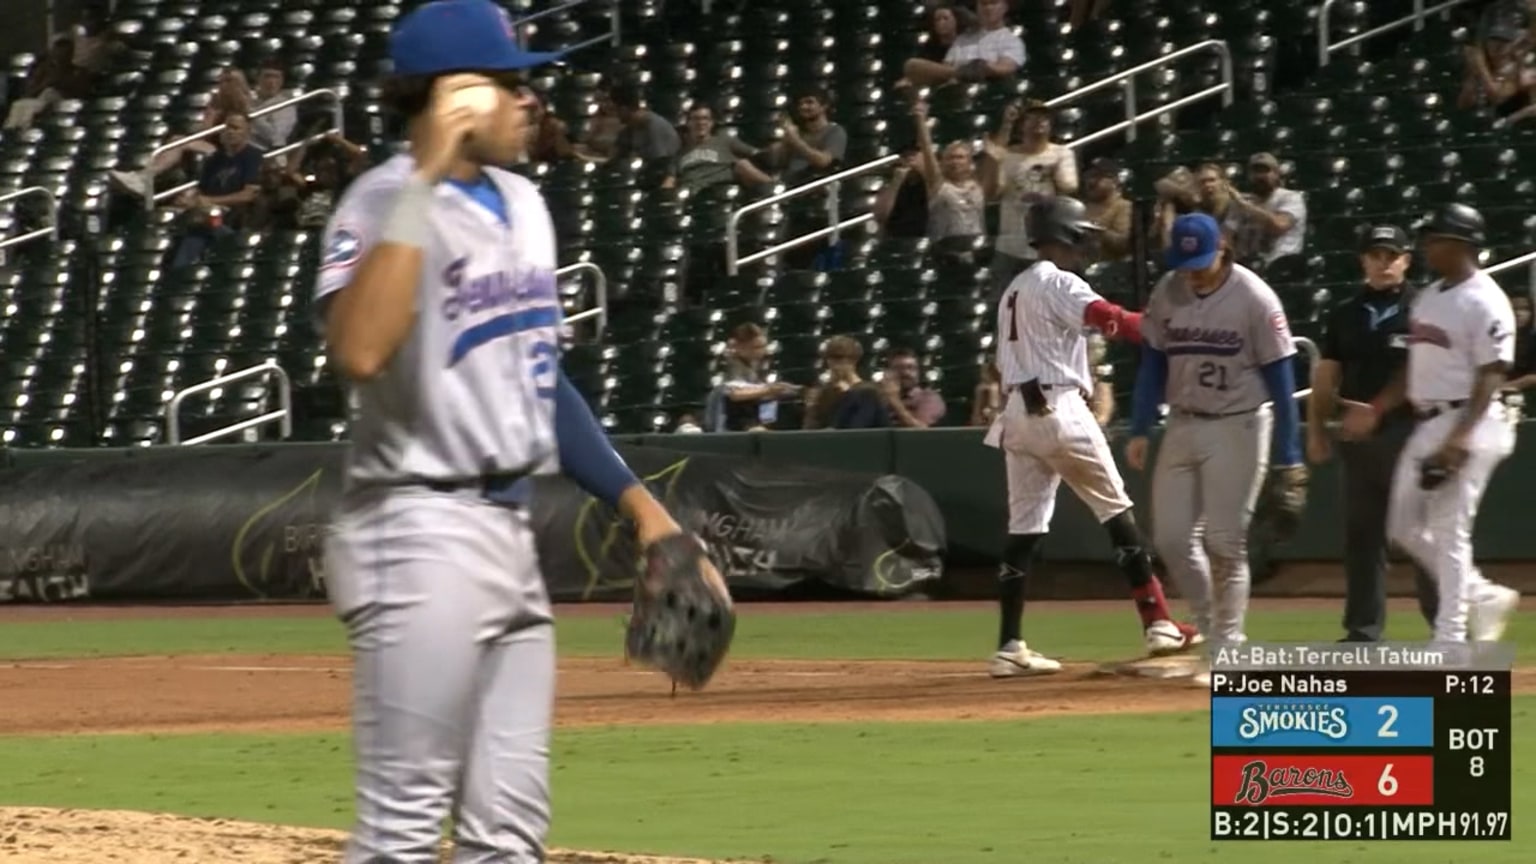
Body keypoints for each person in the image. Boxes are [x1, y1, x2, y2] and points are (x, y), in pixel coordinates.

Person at [311, 2, 731, 860]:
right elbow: (356, 349)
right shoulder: (382, 199)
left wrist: (643, 509)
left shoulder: (526, 204)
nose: (531, 97)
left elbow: (540, 382)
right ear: (450, 96)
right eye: (509, 82)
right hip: (412, 528)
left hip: (507, 530)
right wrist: (425, 179)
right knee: (400, 830)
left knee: (507, 836)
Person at [982, 196, 1201, 678]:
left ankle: (1009, 645)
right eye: (1080, 235)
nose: (1087, 244)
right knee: (1117, 513)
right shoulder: (1061, 281)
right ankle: (1159, 622)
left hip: (1018, 412)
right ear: (1064, 236)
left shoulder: (1014, 288)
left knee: (1023, 531)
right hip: (1059, 407)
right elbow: (1115, 321)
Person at [1127, 213, 1303, 683]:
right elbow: (1152, 362)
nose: (1192, 270)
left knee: (1225, 542)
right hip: (1183, 423)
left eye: (1200, 260)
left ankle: (1229, 647)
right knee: (1169, 538)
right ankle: (1209, 630)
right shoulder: (1169, 289)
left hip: (1239, 425)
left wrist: (1290, 451)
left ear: (1224, 247)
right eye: (1185, 262)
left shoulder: (1254, 297)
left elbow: (1282, 382)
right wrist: (1141, 426)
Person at [1339, 203, 1520, 644]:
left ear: (1460, 244)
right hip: (1428, 419)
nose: (1426, 246)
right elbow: (1413, 368)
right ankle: (1481, 594)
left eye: (1434, 239)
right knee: (1402, 527)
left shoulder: (1486, 299)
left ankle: (1451, 637)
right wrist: (1377, 407)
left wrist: (1460, 439)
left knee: (1448, 528)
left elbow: (1491, 374)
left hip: (1471, 419)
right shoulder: (1430, 296)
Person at [1307, 224, 1439, 641]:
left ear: (1406, 260)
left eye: (1391, 255)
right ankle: (1363, 630)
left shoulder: (1425, 309)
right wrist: (1315, 430)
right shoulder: (1345, 313)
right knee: (1362, 539)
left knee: (1423, 539)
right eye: (1375, 255)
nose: (1384, 263)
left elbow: (1429, 370)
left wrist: (1381, 407)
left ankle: (1446, 628)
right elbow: (1326, 374)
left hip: (1412, 433)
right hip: (1359, 442)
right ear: (1363, 259)